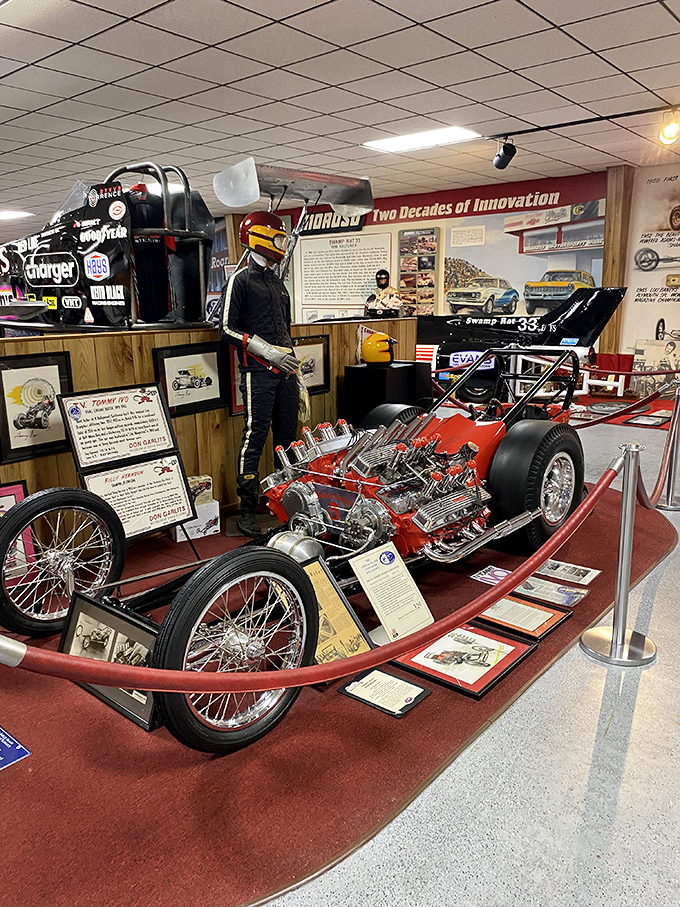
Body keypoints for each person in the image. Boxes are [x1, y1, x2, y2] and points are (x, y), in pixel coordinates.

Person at [220, 211, 299, 537]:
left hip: (286, 374)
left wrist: (291, 363)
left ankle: (286, 506)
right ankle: (247, 511)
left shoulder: (278, 283)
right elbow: (225, 328)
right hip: (258, 372)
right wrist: (267, 352)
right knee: (254, 440)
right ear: (260, 238)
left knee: (287, 441)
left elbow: (287, 330)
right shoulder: (240, 281)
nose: (281, 244)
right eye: (278, 237)